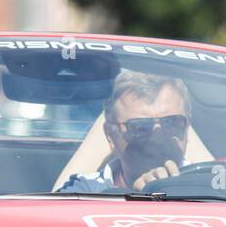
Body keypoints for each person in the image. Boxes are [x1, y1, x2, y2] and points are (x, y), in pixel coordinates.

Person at [59, 72, 194, 192]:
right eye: (140, 127)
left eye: (172, 123)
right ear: (110, 135)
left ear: (187, 126)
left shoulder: (212, 188)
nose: (157, 138)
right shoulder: (82, 193)